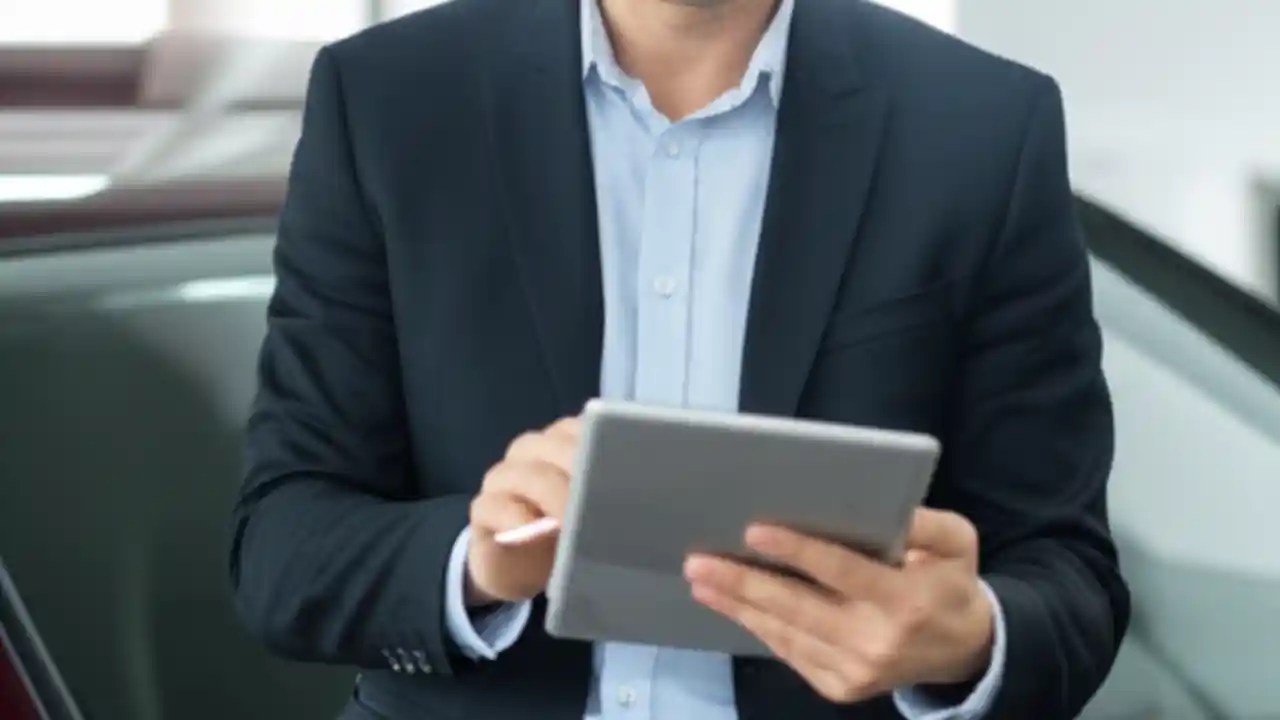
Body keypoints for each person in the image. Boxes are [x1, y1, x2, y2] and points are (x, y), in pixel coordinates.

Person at [230, 0, 1129, 717]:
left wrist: (970, 642)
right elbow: (283, 546)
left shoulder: (980, 126)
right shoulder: (390, 98)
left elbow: (1067, 574)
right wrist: (476, 562)